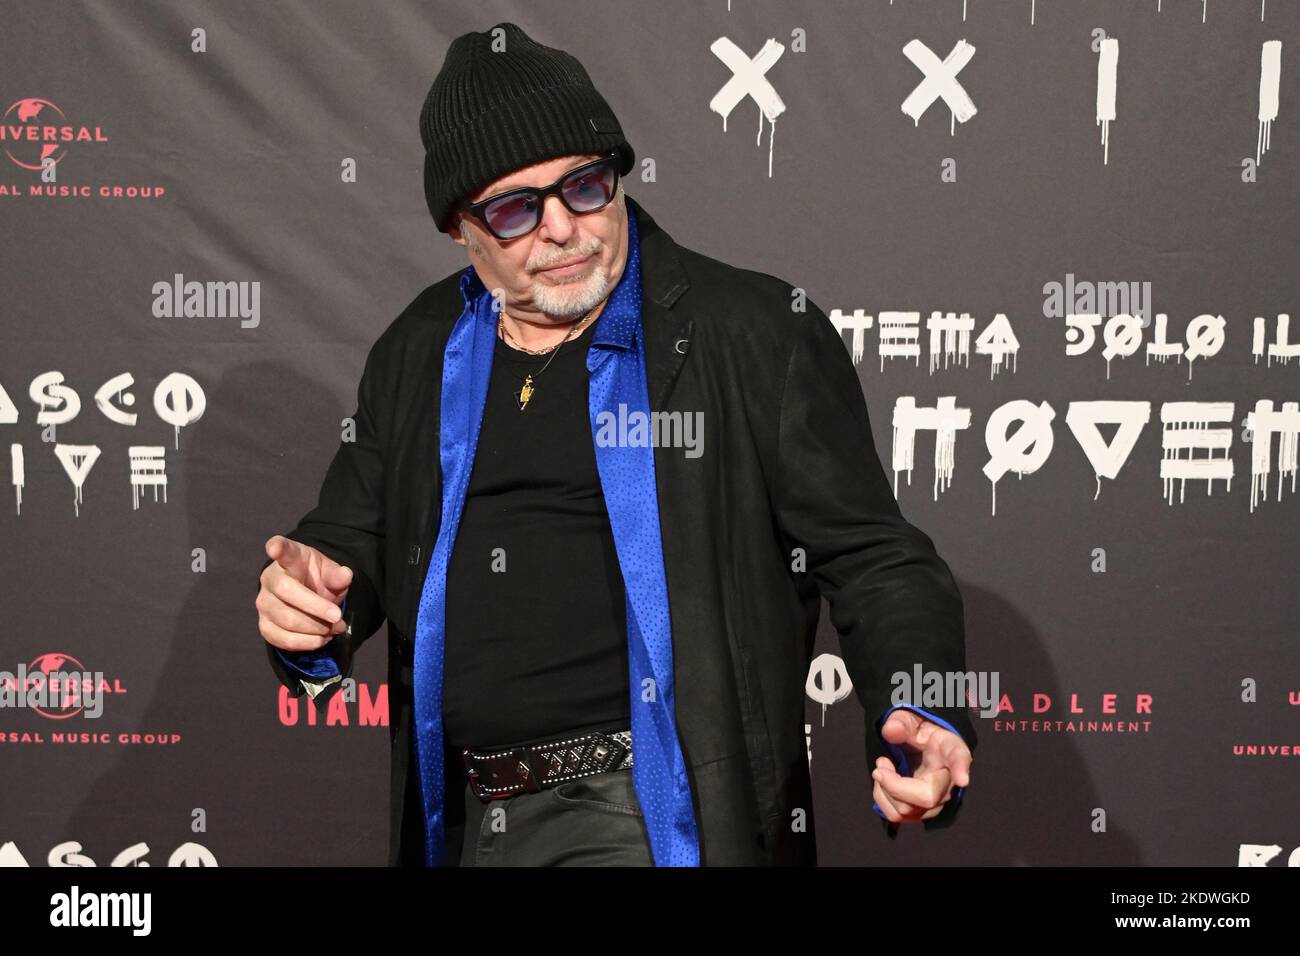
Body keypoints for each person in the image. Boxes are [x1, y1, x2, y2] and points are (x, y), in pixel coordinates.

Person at [255, 21, 976, 867]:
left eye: (586, 187)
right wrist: (307, 608)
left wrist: (920, 706)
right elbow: (353, 542)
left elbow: (877, 558)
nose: (562, 228)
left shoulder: (749, 334)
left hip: (649, 815)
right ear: (459, 227)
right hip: (458, 818)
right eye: (517, 209)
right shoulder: (421, 350)